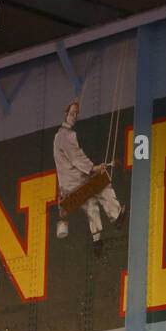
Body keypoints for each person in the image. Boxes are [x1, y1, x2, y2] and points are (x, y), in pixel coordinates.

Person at [53, 100, 125, 258]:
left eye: (76, 114)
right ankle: (117, 215)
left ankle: (97, 240)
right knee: (103, 185)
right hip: (76, 187)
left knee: (91, 206)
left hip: (68, 193)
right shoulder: (67, 136)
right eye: (72, 113)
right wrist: (94, 168)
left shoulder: (58, 137)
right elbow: (77, 158)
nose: (75, 116)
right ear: (66, 114)